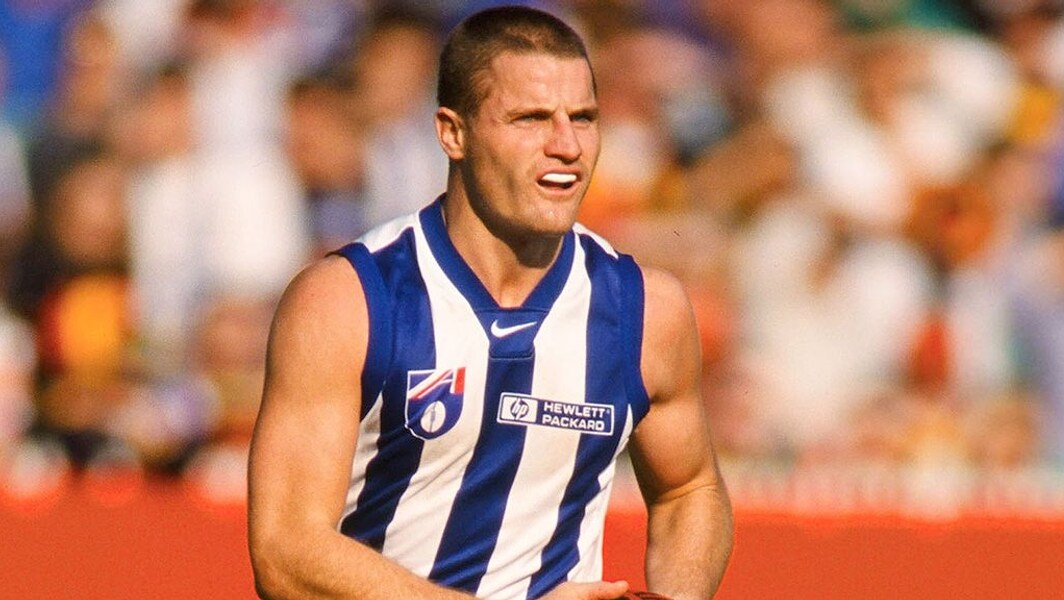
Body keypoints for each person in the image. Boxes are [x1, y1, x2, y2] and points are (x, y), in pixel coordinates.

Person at [247, 6, 733, 600]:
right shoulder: (349, 301)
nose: (567, 145)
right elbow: (286, 552)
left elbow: (689, 489)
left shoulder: (645, 311)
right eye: (531, 119)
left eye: (583, 118)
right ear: (453, 133)